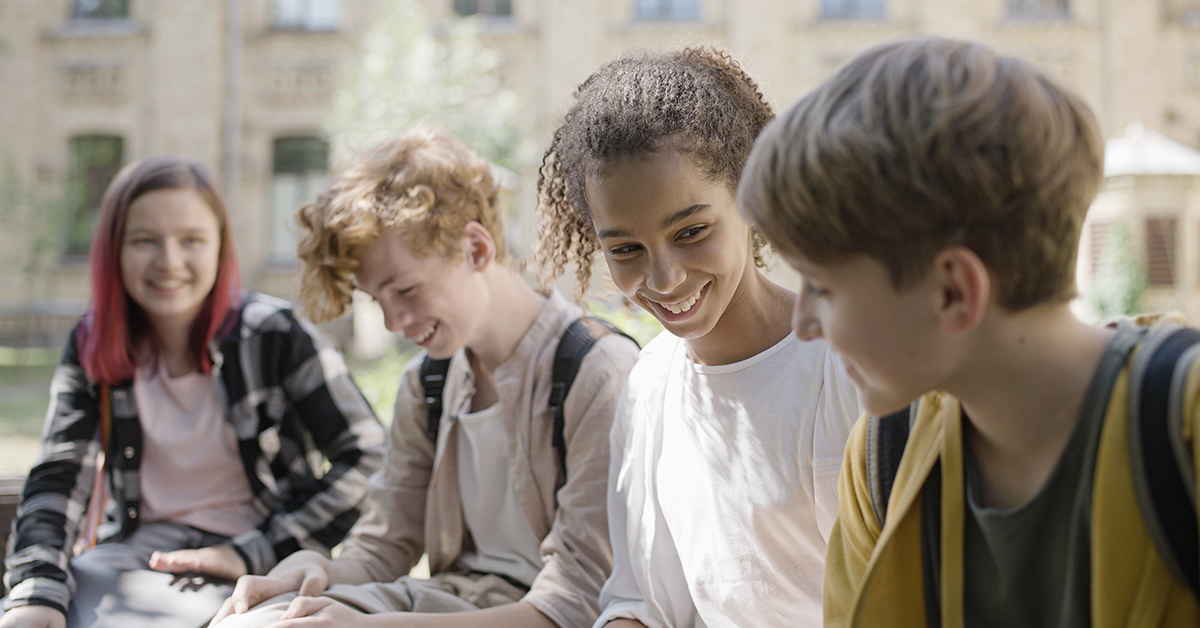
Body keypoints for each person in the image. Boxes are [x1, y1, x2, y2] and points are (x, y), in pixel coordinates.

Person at [738, 37, 1200, 627]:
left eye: (823, 287)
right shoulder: (883, 457)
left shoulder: (1180, 429)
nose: (802, 324)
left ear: (954, 291)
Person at [210, 125, 640, 628]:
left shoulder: (596, 372)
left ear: (476, 249)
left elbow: (572, 604)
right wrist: (316, 569)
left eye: (407, 291)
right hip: (446, 604)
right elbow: (382, 546)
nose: (394, 322)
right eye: (378, 300)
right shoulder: (428, 384)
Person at [533, 47, 861, 628]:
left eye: (692, 231)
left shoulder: (847, 368)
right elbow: (640, 600)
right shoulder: (651, 385)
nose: (665, 278)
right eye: (625, 249)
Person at [0, 156, 386, 628]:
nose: (169, 262)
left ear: (221, 247)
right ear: (113, 250)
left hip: (260, 570)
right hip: (131, 562)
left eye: (192, 240)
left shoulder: (275, 334)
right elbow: (57, 478)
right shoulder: (91, 343)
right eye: (144, 241)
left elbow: (371, 457)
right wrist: (35, 591)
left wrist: (251, 551)